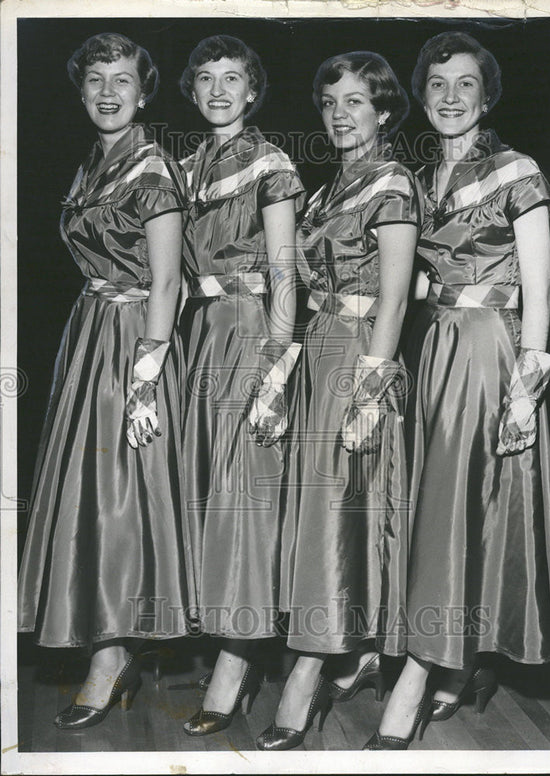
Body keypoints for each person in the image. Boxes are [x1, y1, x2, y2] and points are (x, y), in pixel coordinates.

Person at [364, 31, 550, 750]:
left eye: (466, 84)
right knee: (441, 510)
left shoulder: (517, 169)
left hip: (489, 352)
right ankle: (460, 660)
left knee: (460, 505)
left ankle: (418, 677)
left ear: (488, 97)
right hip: (435, 349)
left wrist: (526, 389)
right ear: (420, 96)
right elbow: (423, 282)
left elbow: (539, 291)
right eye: (438, 84)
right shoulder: (421, 179)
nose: (451, 97)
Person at [17, 33, 193, 729]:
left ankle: (114, 651)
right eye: (96, 80)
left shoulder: (152, 167)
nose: (108, 92)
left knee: (121, 492)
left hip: (133, 338)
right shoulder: (93, 163)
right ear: (82, 91)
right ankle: (104, 639)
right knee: (89, 490)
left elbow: (168, 280)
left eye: (123, 80)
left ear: (144, 93)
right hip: (90, 330)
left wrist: (145, 373)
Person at [256, 51, 421, 751]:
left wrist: (370, 391)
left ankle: (307, 671)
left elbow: (396, 298)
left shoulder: (394, 182)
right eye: (329, 103)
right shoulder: (328, 189)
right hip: (319, 352)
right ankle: (354, 650)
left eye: (355, 101)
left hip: (358, 357)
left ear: (384, 111)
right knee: (324, 514)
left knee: (339, 511)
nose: (339, 115)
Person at [177, 35, 305, 736]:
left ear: (253, 90)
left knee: (244, 498)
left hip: (252, 330)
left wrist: (276, 372)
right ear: (192, 91)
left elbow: (285, 274)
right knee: (207, 497)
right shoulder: (184, 167)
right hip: (199, 335)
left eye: (233, 78)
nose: (219, 90)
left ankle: (238, 657)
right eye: (206, 78)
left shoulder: (272, 163)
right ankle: (221, 634)